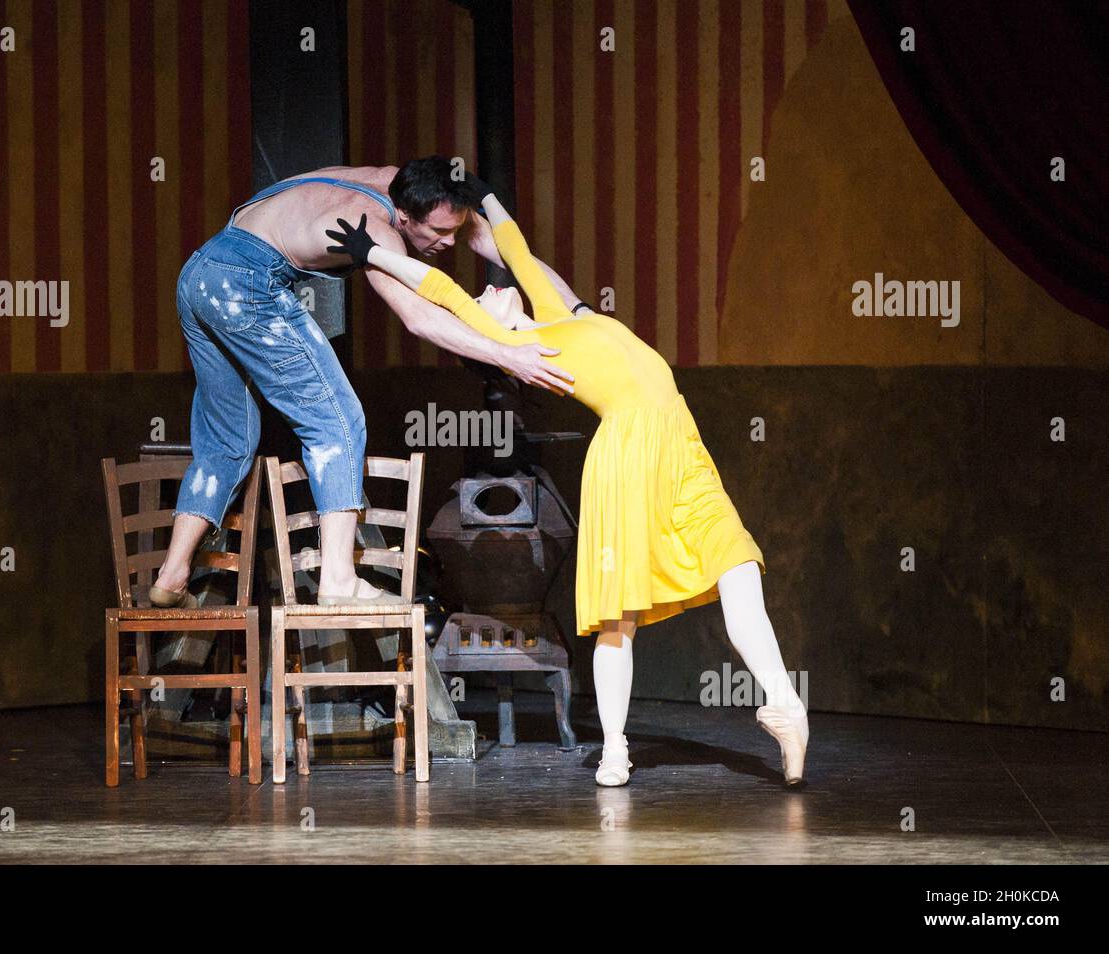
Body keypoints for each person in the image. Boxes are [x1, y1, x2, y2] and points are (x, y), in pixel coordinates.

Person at [323, 174, 810, 786]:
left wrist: (484, 195)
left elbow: (517, 254)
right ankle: (613, 748)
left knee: (737, 565)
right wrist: (375, 255)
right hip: (628, 448)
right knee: (619, 615)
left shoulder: (558, 313)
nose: (497, 289)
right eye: (490, 298)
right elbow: (444, 292)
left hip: (681, 439)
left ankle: (785, 706)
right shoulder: (512, 338)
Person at [149, 157, 577, 609]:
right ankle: (339, 581)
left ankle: (172, 575)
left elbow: (513, 256)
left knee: (229, 437)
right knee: (337, 421)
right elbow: (418, 317)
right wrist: (508, 355)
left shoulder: (405, 186)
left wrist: (577, 310)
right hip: (248, 287)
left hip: (201, 272)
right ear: (407, 216)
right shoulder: (374, 230)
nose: (449, 243)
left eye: (456, 230)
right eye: (437, 234)